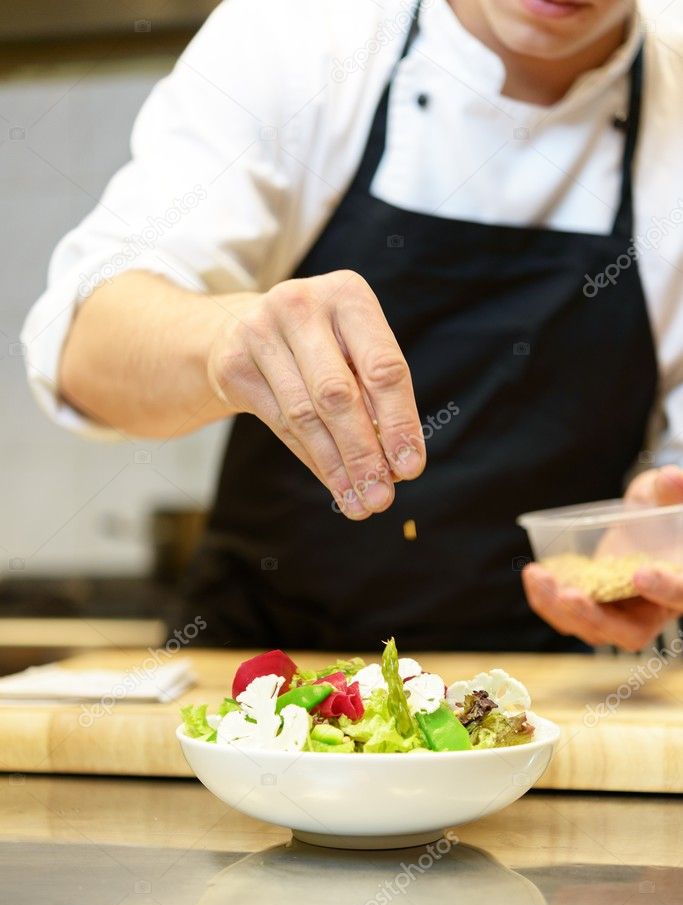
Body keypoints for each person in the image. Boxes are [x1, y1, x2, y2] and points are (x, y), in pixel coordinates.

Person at [22, 0, 683, 652]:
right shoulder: (302, 32)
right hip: (261, 685)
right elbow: (84, 349)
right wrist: (226, 342)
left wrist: (660, 530)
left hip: (537, 694)